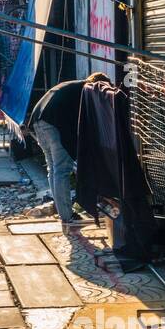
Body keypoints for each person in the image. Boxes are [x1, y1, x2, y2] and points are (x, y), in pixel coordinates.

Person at [27, 72, 109, 221]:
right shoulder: (88, 91)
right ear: (98, 85)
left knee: (53, 169)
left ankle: (63, 212)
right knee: (62, 170)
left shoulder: (74, 86)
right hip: (53, 123)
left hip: (38, 121)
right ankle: (67, 216)